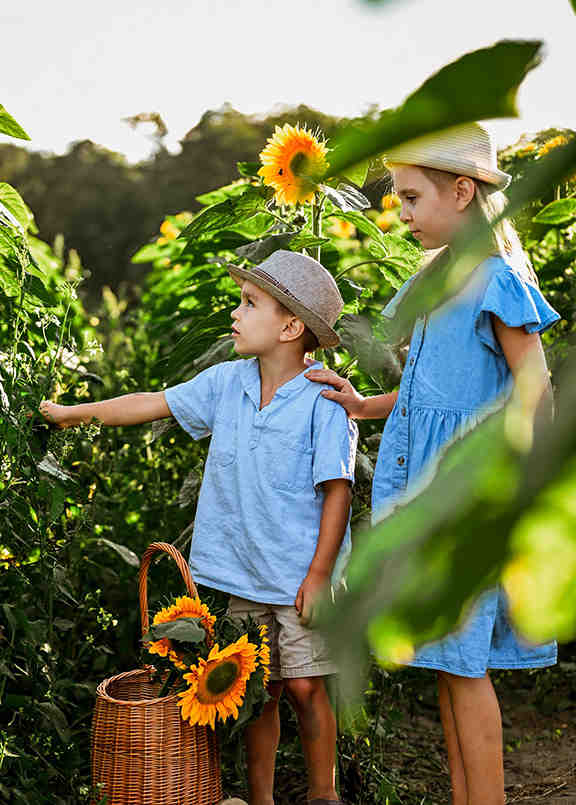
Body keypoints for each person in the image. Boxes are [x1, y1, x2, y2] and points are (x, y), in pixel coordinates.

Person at [40, 250, 358, 805]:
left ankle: (323, 796)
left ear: (290, 327)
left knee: (307, 687)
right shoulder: (226, 382)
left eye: (249, 303)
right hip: (244, 576)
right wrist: (74, 413)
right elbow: (152, 403)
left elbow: (338, 491)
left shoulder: (323, 400)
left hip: (301, 576)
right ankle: (261, 799)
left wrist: (320, 574)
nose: (235, 313)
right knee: (258, 693)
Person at [305, 123, 560, 805]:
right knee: (447, 664)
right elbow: (427, 392)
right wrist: (365, 404)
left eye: (412, 197)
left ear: (463, 189)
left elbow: (535, 391)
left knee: (466, 669)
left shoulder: (497, 281)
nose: (403, 213)